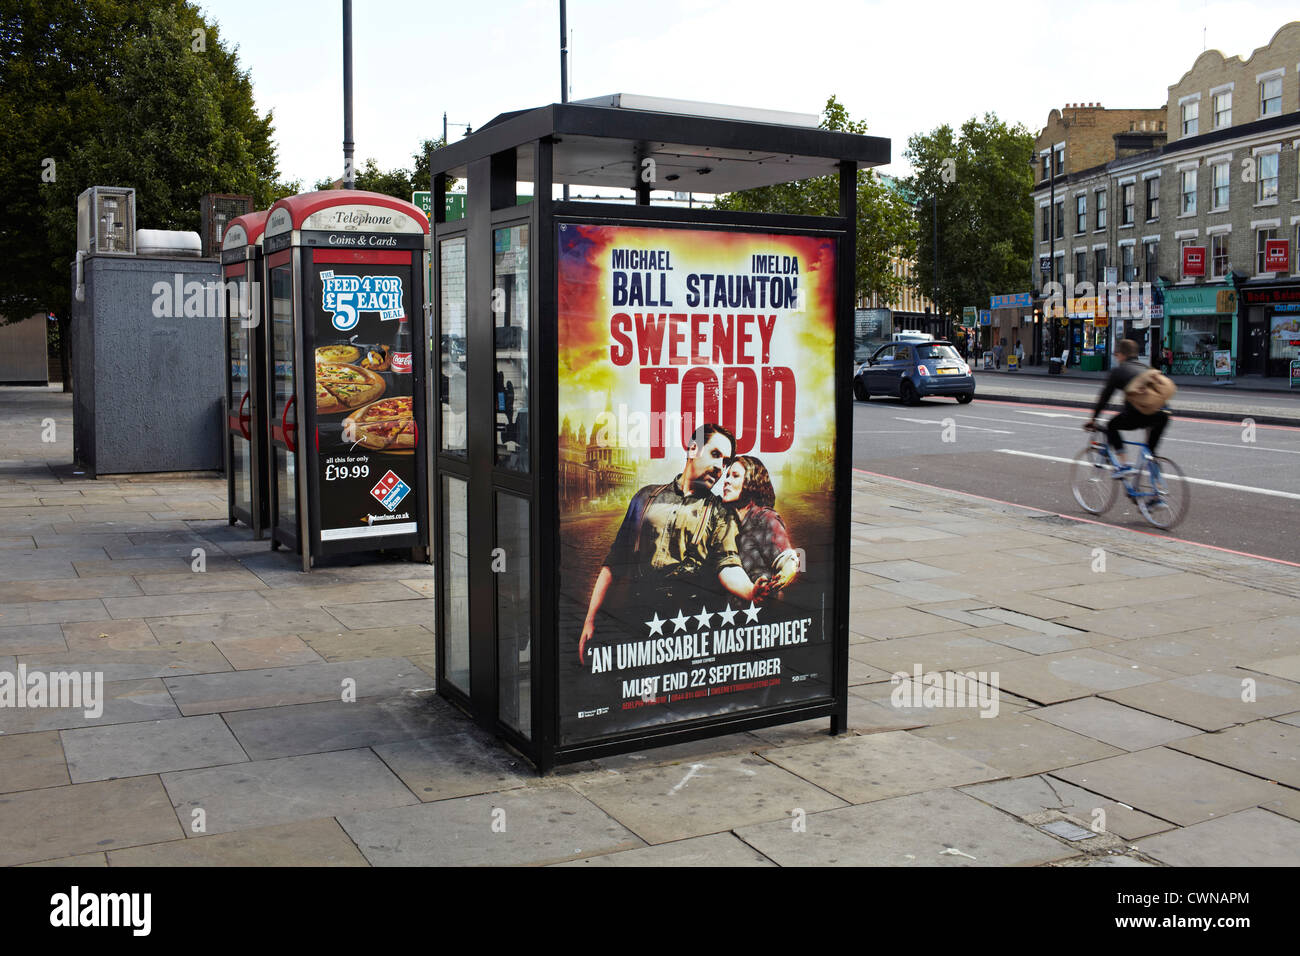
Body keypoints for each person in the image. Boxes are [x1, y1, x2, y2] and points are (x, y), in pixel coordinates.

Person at [579, 423, 771, 664]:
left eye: (725, 462)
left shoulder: (721, 513)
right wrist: (590, 620)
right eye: (715, 454)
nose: (719, 468)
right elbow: (613, 563)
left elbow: (728, 564)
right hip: (633, 626)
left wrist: (751, 590)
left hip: (684, 632)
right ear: (693, 449)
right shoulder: (645, 497)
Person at [1085, 338, 1170, 477]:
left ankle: (1124, 465)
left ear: (1121, 354)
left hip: (1139, 413)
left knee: (1111, 426)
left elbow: (1104, 398)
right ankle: (1157, 483)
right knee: (1149, 451)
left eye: (1116, 355)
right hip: (1163, 413)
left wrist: (1093, 419)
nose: (1116, 358)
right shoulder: (1146, 369)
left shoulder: (1119, 371)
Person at [718, 455, 800, 595]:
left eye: (735, 476)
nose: (727, 481)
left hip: (763, 604)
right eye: (727, 476)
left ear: (751, 482)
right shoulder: (729, 520)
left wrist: (786, 572)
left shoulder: (764, 518)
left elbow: (787, 559)